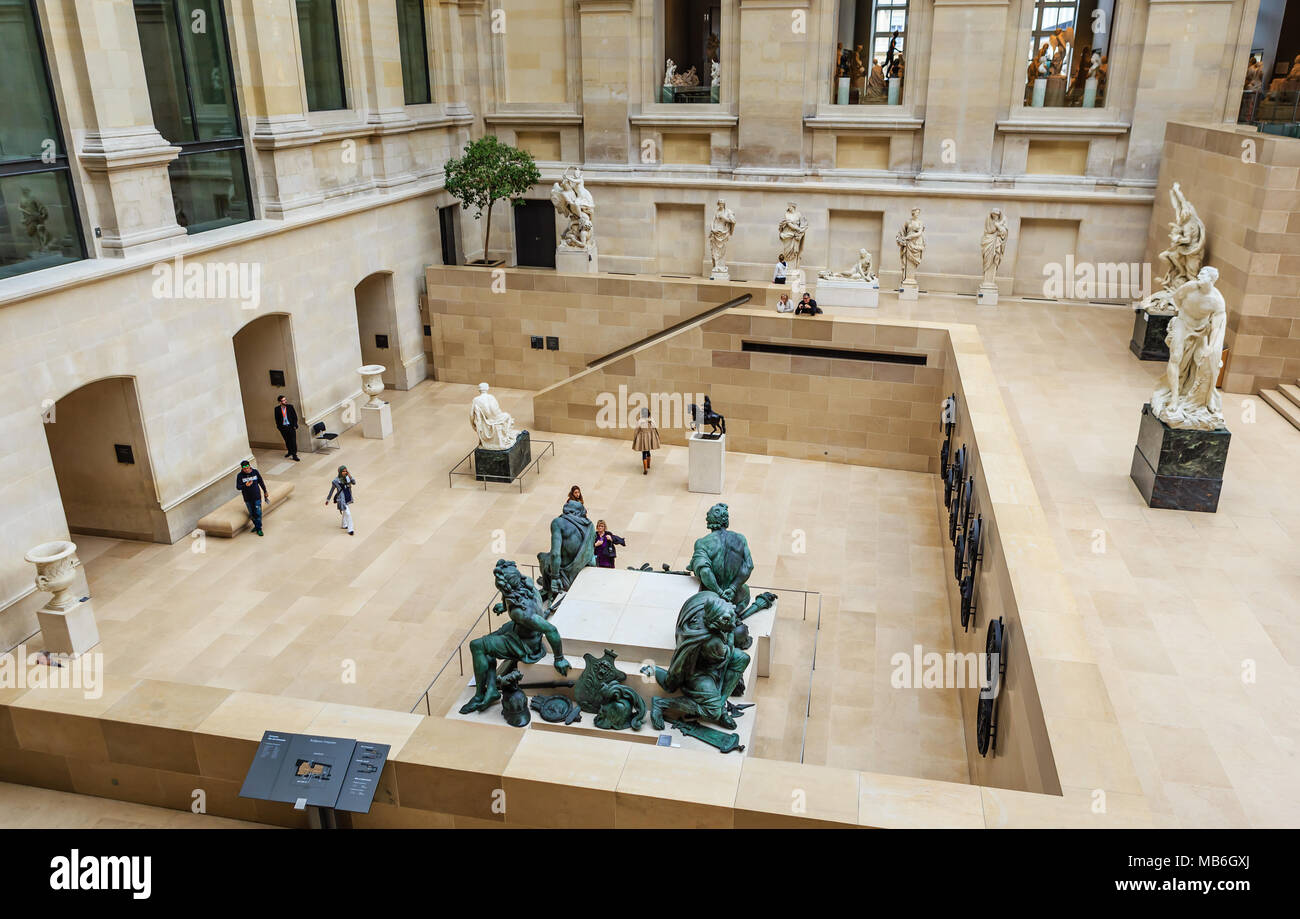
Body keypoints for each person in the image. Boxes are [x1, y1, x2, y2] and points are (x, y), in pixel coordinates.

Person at [235, 460, 270, 537]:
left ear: (249, 466)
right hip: (247, 498)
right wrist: (245, 485)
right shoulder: (240, 476)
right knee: (252, 513)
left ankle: (259, 529)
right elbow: (238, 487)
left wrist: (265, 491)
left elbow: (261, 481)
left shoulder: (255, 472)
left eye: (247, 468)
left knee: (258, 512)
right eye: (244, 469)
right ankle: (257, 525)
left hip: (256, 496)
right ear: (242, 469)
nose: (246, 470)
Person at [325, 465, 356, 535]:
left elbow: (354, 483)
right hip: (342, 499)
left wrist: (350, 476)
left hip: (348, 496)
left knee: (345, 511)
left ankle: (344, 524)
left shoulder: (348, 478)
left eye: (346, 471)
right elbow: (331, 491)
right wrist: (328, 499)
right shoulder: (335, 481)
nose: (345, 472)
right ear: (340, 472)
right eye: (343, 471)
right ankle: (350, 529)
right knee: (348, 513)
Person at [631, 407, 660, 474]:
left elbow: (636, 430)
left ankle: (645, 469)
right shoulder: (652, 420)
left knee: (644, 453)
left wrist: (635, 437)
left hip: (643, 438)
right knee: (648, 451)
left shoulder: (640, 421)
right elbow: (655, 428)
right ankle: (648, 465)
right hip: (650, 438)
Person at [274, 395, 300, 461]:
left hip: (291, 427)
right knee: (287, 441)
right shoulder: (276, 409)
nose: (285, 401)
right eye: (283, 400)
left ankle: (294, 455)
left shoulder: (290, 407)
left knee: (293, 441)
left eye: (285, 400)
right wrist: (279, 427)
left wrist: (294, 425)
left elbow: (295, 417)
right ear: (280, 402)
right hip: (283, 428)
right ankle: (290, 452)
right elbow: (277, 419)